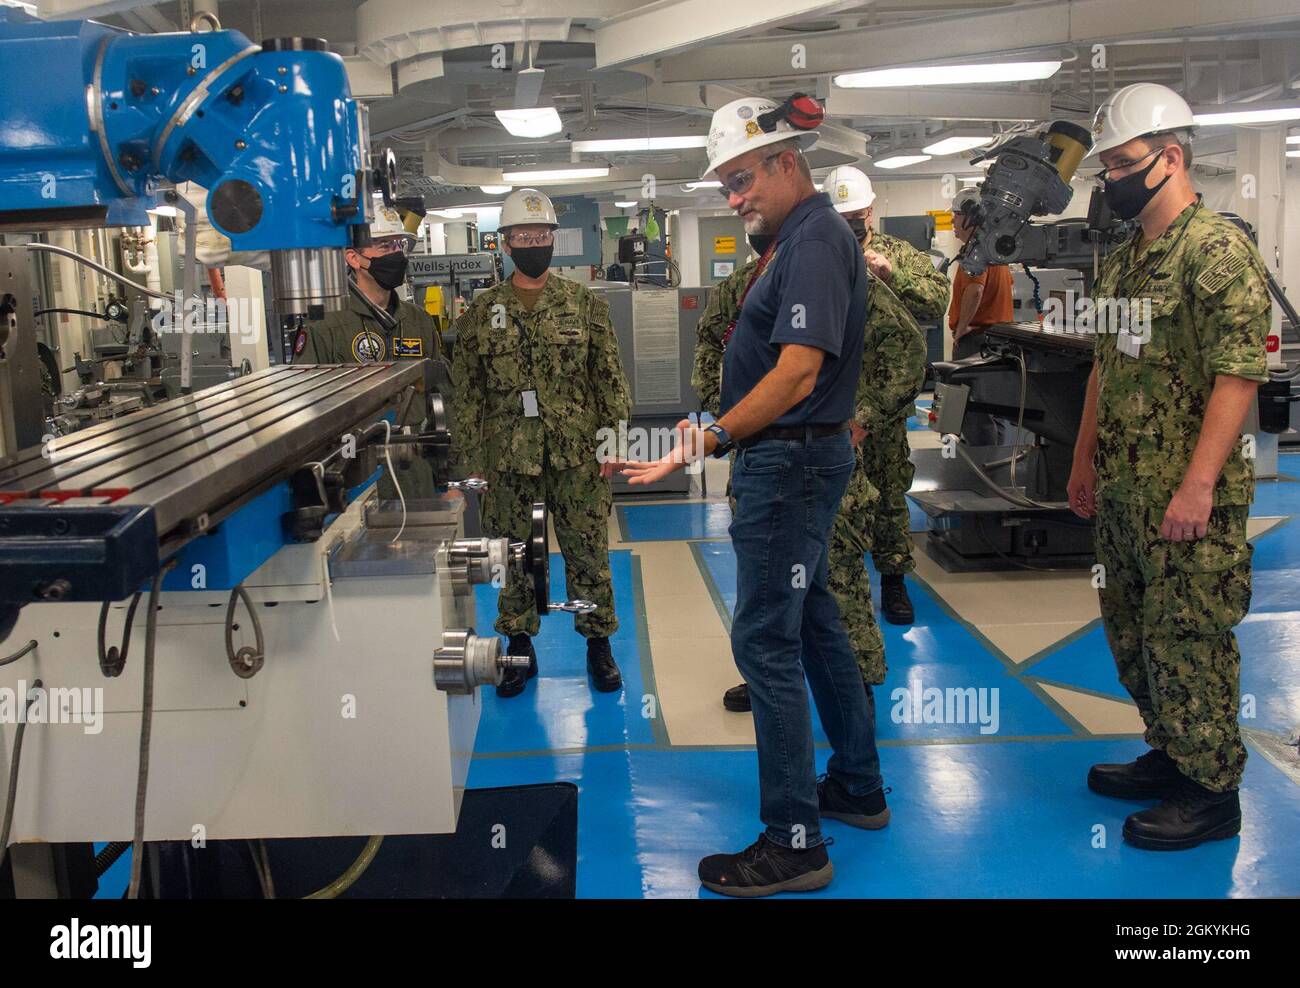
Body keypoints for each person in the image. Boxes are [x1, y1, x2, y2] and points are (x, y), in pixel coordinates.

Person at [624, 96, 883, 897]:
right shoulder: (798, 240)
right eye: (726, 186)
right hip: (798, 460)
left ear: (786, 161)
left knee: (765, 644)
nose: (735, 200)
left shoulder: (811, 241)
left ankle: (794, 842)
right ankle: (859, 787)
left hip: (789, 465)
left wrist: (708, 437)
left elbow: (799, 371)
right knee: (815, 623)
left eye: (742, 180)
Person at [1067, 82, 1270, 851]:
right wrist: (1084, 457)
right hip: (1123, 488)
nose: (1110, 180)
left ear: (1170, 158)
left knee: (1188, 637)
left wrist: (1198, 484)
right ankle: (1170, 751)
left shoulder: (1214, 250)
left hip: (1186, 497)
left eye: (1121, 164)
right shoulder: (1124, 262)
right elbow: (1102, 368)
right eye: (1105, 168)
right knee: (1133, 633)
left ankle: (1212, 791)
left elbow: (1238, 373)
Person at [696, 243, 925, 715]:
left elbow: (908, 347)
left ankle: (854, 685)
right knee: (763, 581)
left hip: (823, 462)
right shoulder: (741, 285)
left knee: (837, 580)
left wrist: (862, 416)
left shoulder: (832, 275)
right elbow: (707, 341)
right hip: (760, 464)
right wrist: (730, 414)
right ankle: (771, 677)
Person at [451, 188, 631, 698]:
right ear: (506, 244)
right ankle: (517, 648)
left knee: (589, 552)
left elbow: (610, 379)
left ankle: (599, 646)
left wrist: (614, 442)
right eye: (523, 236)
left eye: (542, 236)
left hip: (577, 457)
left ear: (554, 240)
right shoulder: (481, 313)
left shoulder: (584, 305)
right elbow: (468, 396)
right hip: (508, 460)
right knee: (512, 557)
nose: (534, 243)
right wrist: (472, 465)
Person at [825, 165, 942, 624]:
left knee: (889, 494)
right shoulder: (817, 257)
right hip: (832, 403)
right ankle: (835, 583)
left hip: (887, 401)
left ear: (870, 210)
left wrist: (893, 275)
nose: (850, 224)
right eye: (840, 216)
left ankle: (894, 581)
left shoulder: (898, 254)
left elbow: (937, 303)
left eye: (855, 214)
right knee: (833, 496)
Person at [299, 201, 448, 501]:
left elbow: (444, 399)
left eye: (398, 245)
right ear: (354, 258)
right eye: (383, 246)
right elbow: (307, 414)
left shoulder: (417, 321)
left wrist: (451, 478)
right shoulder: (325, 326)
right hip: (356, 480)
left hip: (415, 475)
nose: (395, 254)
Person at [948, 188, 1015, 445]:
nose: (953, 223)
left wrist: (962, 328)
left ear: (971, 217)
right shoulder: (998, 249)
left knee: (974, 408)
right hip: (998, 339)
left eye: (956, 216)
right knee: (993, 408)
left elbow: (975, 290)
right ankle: (994, 460)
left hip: (976, 339)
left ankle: (980, 462)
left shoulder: (976, 251)